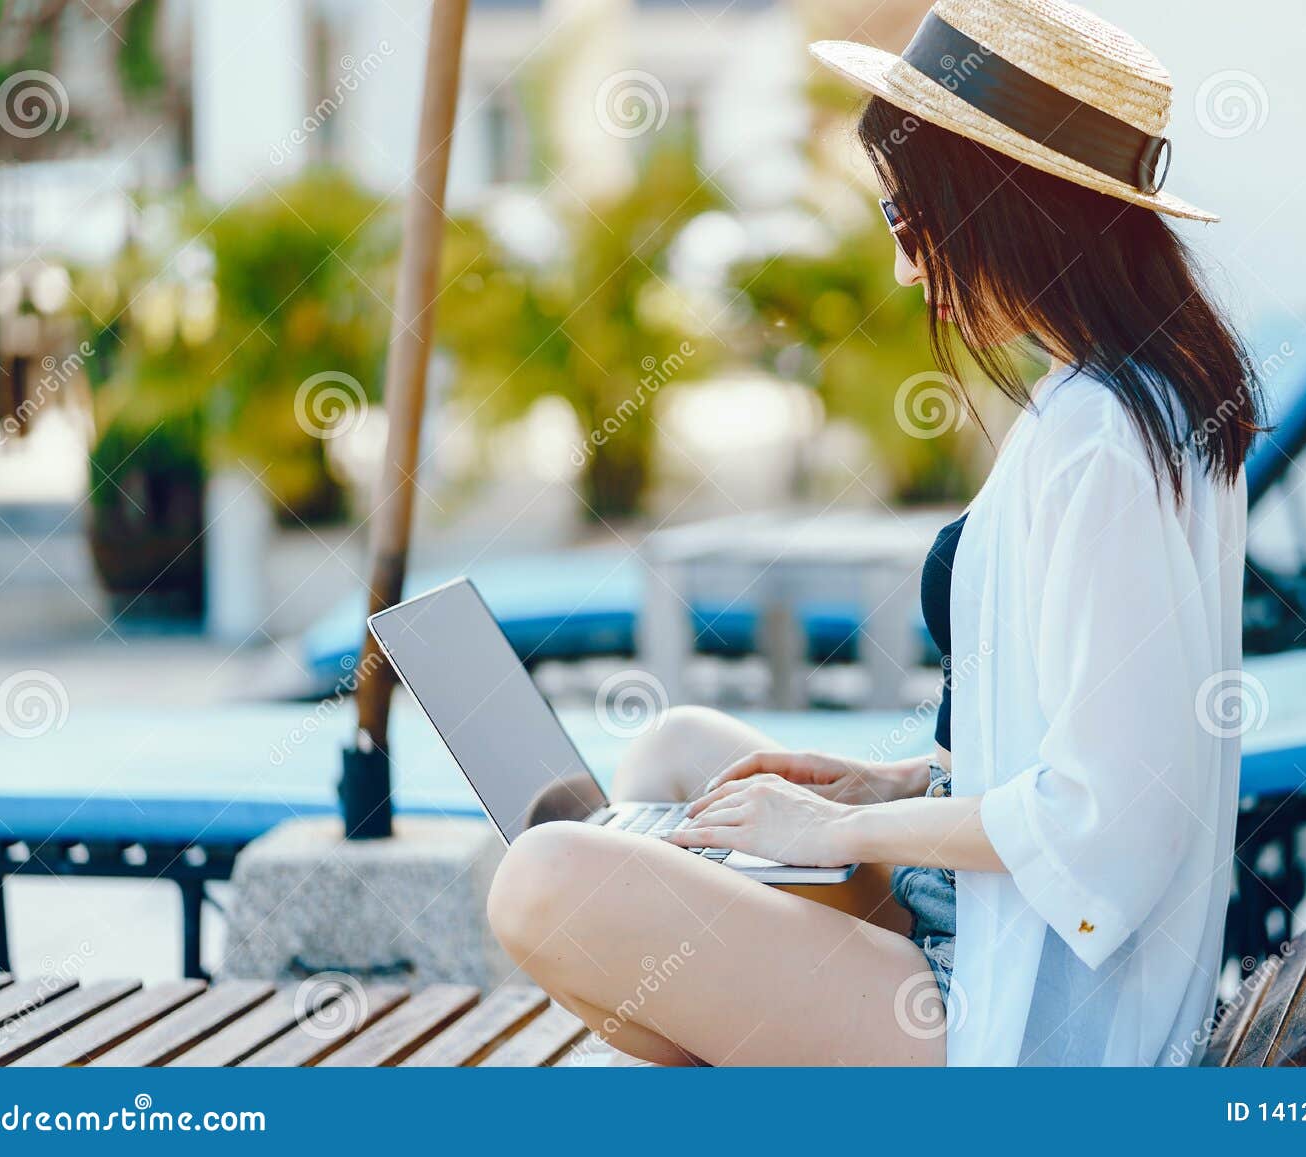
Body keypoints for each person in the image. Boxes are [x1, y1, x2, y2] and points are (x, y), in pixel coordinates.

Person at [487, 0, 1260, 1066]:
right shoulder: (1113, 398)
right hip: (982, 919)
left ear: (1007, 208)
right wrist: (886, 786)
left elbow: (1112, 815)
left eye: (908, 223)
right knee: (676, 749)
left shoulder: (1102, 440)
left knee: (544, 880)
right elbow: (1066, 738)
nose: (905, 269)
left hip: (1026, 1014)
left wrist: (837, 835)